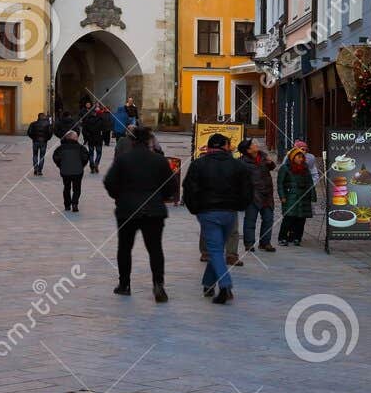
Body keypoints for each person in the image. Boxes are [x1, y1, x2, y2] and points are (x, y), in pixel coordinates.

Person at [103, 125, 177, 301]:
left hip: (127, 209)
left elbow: (109, 182)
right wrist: (160, 197)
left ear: (133, 141)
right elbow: (172, 186)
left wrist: (120, 197)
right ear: (149, 141)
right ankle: (158, 284)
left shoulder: (123, 160)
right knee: (155, 249)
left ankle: (124, 284)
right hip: (154, 210)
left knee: (125, 248)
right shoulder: (159, 160)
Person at [181, 133, 254, 304]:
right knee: (218, 249)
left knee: (215, 250)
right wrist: (240, 206)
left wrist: (195, 209)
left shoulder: (198, 164)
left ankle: (225, 285)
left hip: (208, 213)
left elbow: (189, 188)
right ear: (225, 146)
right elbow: (248, 190)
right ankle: (208, 284)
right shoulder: (238, 166)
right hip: (229, 212)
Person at [240, 137, 277, 253]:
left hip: (267, 194)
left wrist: (271, 163)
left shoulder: (263, 156)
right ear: (248, 150)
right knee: (250, 220)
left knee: (268, 219)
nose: (256, 145)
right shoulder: (242, 162)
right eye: (253, 144)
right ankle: (249, 244)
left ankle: (265, 243)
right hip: (252, 195)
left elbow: (272, 167)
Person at [277, 142, 317, 245]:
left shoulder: (305, 168)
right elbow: (280, 184)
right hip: (290, 196)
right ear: (292, 157)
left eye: (302, 157)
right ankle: (283, 237)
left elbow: (310, 182)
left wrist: (312, 196)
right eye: (298, 157)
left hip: (303, 196)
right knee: (289, 217)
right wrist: (282, 196)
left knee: (301, 219)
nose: (300, 159)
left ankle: (297, 238)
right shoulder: (285, 168)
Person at [52, 128, 87, 211]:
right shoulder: (80, 148)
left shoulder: (61, 148)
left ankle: (67, 205)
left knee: (66, 187)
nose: (77, 138)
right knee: (77, 188)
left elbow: (55, 157)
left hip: (65, 171)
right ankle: (74, 204)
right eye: (76, 137)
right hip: (78, 171)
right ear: (73, 138)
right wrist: (82, 165)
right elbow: (85, 157)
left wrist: (60, 165)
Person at [81, 103, 106, 173]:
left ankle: (92, 165)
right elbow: (104, 129)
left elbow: (84, 130)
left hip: (90, 139)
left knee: (91, 153)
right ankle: (96, 163)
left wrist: (87, 137)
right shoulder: (100, 120)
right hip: (98, 138)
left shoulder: (87, 120)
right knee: (99, 153)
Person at [27, 111, 54, 175]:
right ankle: (39, 170)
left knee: (35, 155)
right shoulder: (47, 124)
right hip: (43, 142)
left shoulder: (33, 124)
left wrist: (33, 138)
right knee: (42, 156)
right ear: (43, 117)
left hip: (35, 141)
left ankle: (35, 169)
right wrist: (47, 139)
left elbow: (29, 132)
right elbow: (50, 133)